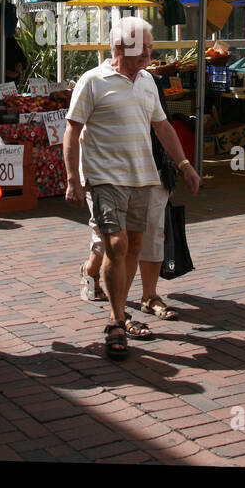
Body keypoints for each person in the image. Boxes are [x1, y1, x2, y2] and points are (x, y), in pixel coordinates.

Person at [64, 16, 201, 359]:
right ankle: (115, 320)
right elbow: (72, 130)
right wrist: (72, 179)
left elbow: (163, 126)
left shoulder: (147, 82)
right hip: (104, 178)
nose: (150, 54)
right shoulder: (92, 81)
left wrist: (185, 165)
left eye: (151, 47)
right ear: (120, 46)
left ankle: (122, 311)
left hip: (143, 176)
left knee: (135, 243)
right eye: (145, 47)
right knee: (116, 243)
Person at [78, 86, 181, 321]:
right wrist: (80, 178)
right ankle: (91, 271)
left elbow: (163, 126)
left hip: (152, 172)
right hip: (109, 175)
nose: (144, 55)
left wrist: (176, 168)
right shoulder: (98, 82)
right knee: (109, 241)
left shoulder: (152, 81)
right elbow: (81, 132)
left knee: (152, 235)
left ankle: (149, 296)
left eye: (147, 48)